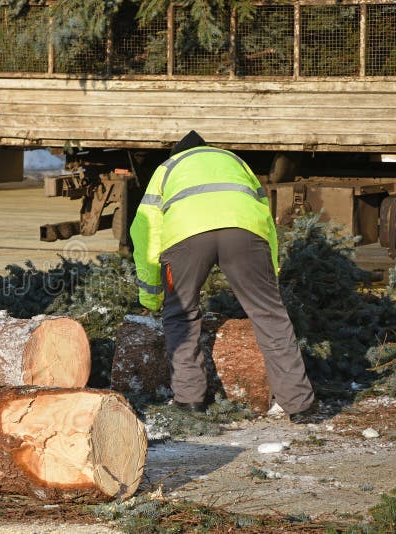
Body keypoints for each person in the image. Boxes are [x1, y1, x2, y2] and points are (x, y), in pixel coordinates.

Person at [130, 130, 317, 424]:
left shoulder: (168, 168)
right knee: (269, 315)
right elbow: (265, 219)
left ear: (178, 153)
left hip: (186, 236)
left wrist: (152, 296)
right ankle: (300, 404)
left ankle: (189, 400)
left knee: (180, 314)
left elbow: (145, 230)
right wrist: (270, 277)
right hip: (245, 232)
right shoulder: (235, 161)